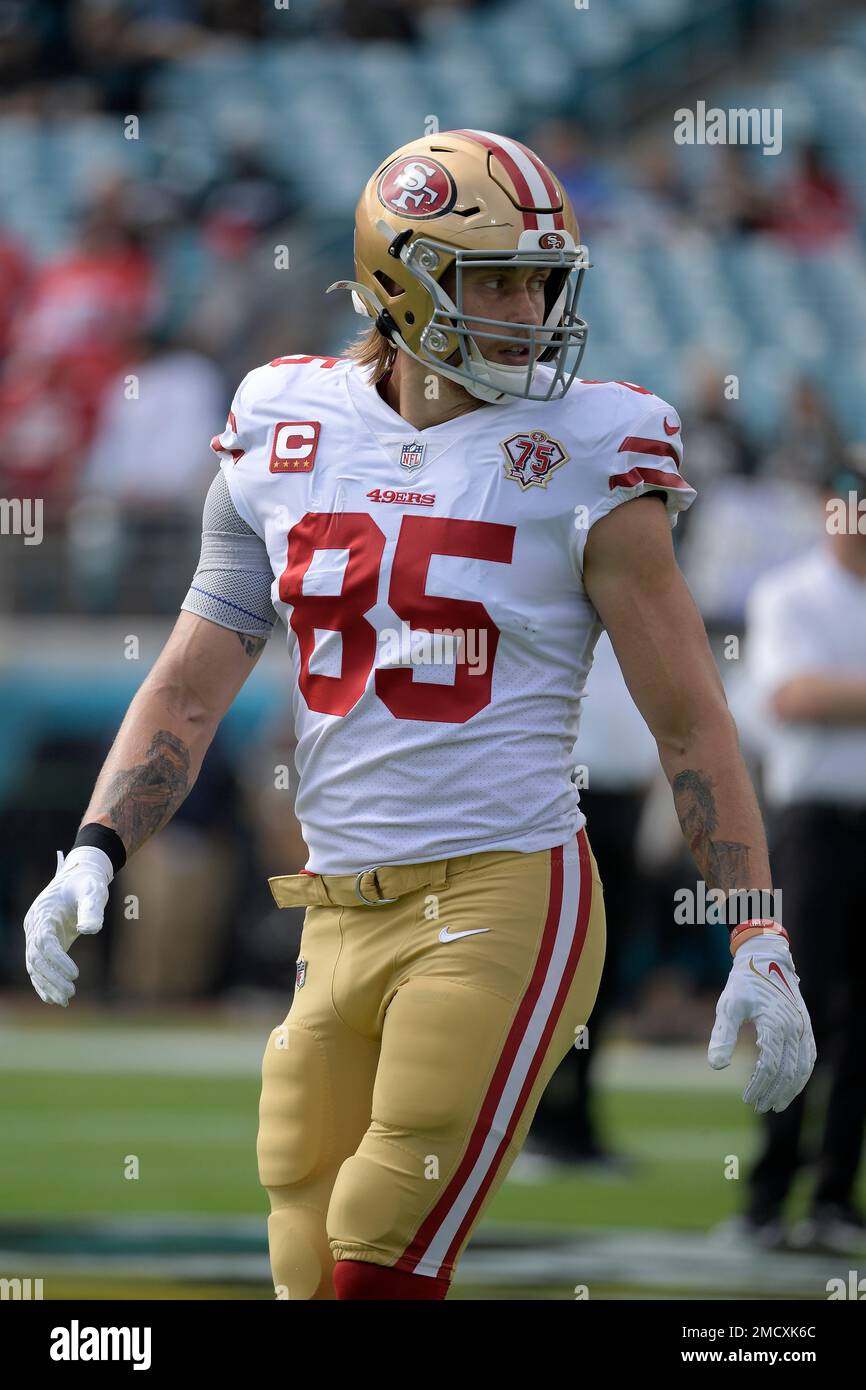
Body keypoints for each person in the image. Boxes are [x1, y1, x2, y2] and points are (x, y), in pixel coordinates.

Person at [22, 130, 816, 1301]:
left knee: (380, 1238)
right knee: (301, 1228)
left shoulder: (595, 446)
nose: (526, 304)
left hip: (503, 891)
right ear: (400, 278)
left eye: (539, 277)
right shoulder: (285, 422)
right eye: (492, 276)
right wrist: (95, 843)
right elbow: (192, 676)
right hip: (334, 905)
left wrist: (753, 926)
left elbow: (690, 720)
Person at [732, 450, 866, 1251]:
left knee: (864, 1026)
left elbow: (823, 694)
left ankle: (832, 1197)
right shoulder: (792, 593)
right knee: (798, 1011)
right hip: (812, 825)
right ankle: (765, 1197)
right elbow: (791, 696)